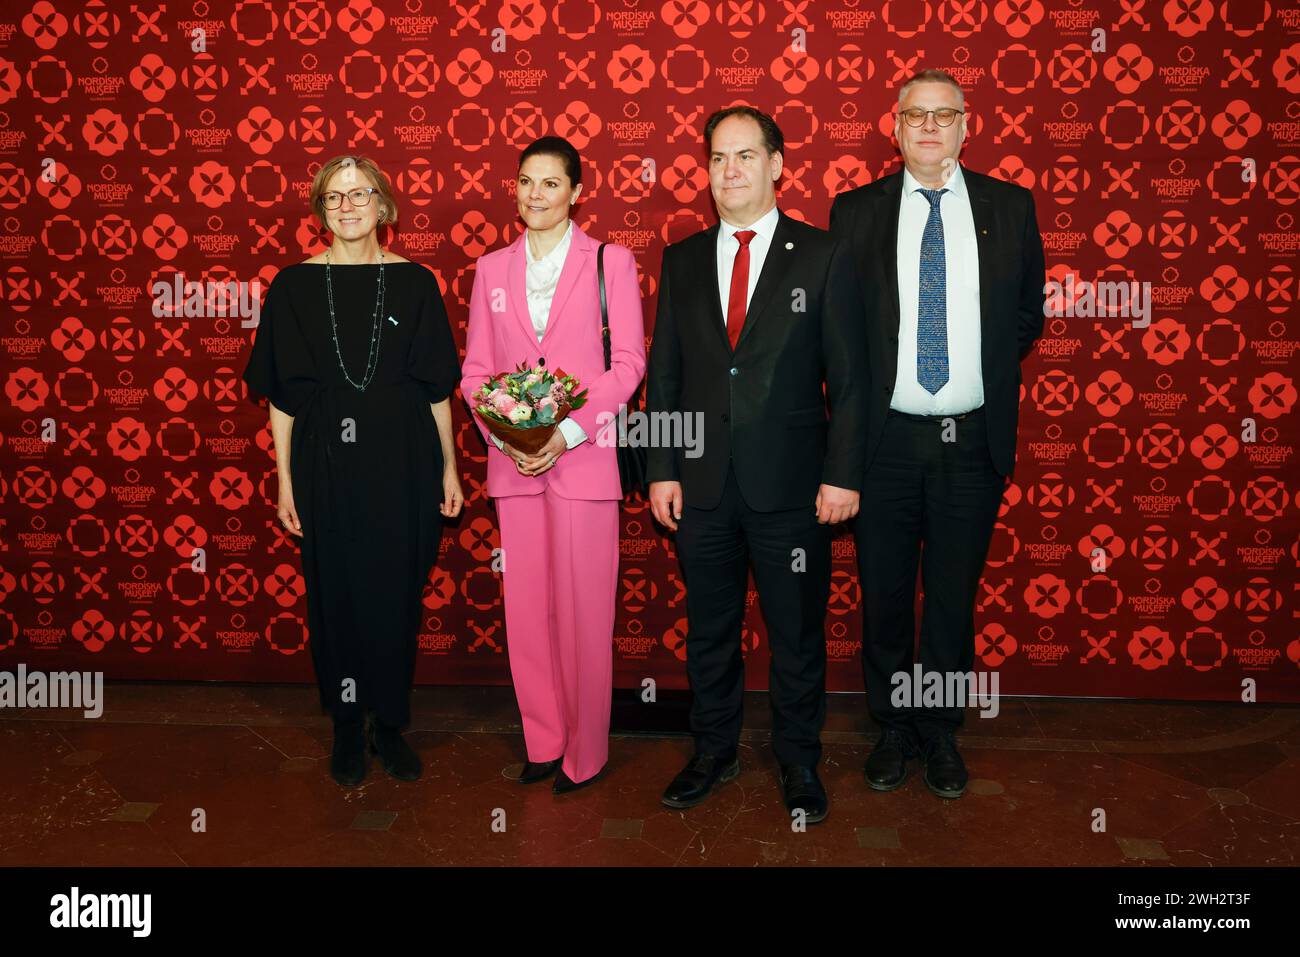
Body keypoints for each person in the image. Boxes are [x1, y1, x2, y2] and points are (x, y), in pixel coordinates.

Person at [645, 107, 868, 824]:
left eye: (745, 156)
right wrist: (661, 467)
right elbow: (666, 375)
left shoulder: (823, 254)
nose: (729, 171)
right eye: (717, 158)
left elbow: (852, 379)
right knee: (708, 630)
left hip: (795, 488)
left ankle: (799, 757)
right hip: (702, 487)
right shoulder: (681, 258)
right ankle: (713, 749)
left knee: (796, 633)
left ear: (777, 165)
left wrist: (842, 473)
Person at [829, 69, 1046, 799]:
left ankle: (940, 730)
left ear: (966, 125)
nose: (929, 127)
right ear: (893, 127)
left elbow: (1025, 316)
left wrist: (970, 372)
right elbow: (842, 332)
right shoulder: (854, 212)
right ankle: (893, 726)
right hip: (884, 442)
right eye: (915, 115)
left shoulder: (1009, 207)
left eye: (943, 114)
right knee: (885, 592)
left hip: (971, 440)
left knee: (953, 595)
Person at [242, 154, 464, 787]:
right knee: (336, 597)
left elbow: (435, 388)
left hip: (403, 463)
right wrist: (285, 482)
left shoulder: (417, 283)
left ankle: (389, 723)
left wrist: (449, 468)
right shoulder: (293, 287)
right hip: (324, 466)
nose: (346, 206)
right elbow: (282, 397)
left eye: (358, 194)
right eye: (332, 197)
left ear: (383, 205)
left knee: (395, 596)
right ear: (320, 212)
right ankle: (345, 724)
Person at [460, 136, 646, 794]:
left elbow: (627, 365)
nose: (534, 194)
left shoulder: (609, 263)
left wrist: (564, 434)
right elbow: (476, 371)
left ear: (577, 191)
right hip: (515, 466)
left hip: (585, 462)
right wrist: (504, 437)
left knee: (584, 610)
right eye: (526, 182)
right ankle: (543, 741)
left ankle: (585, 752)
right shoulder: (491, 270)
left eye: (549, 183)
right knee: (528, 610)